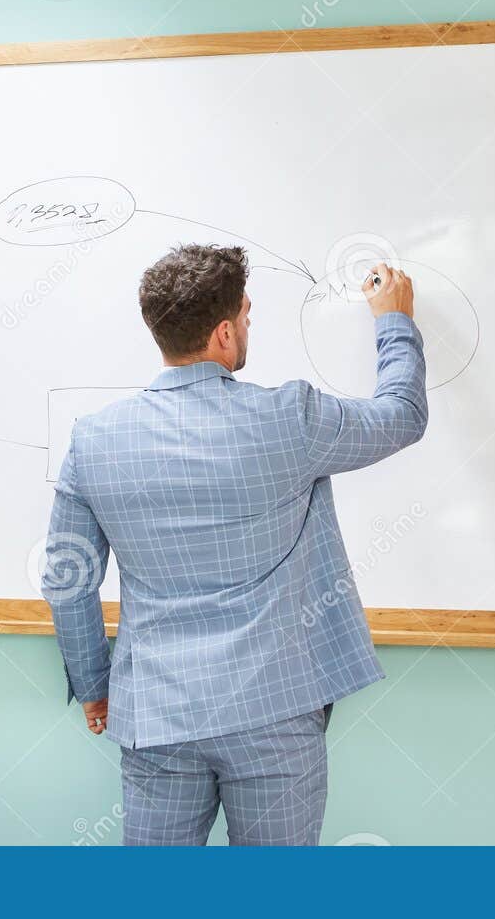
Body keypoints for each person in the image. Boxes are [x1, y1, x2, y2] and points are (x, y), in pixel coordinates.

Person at [41, 243, 427, 845]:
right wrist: (393, 321)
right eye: (246, 315)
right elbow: (401, 415)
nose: (248, 325)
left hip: (156, 717)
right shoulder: (290, 418)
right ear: (224, 332)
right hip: (275, 712)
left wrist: (94, 686)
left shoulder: (94, 440)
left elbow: (67, 579)